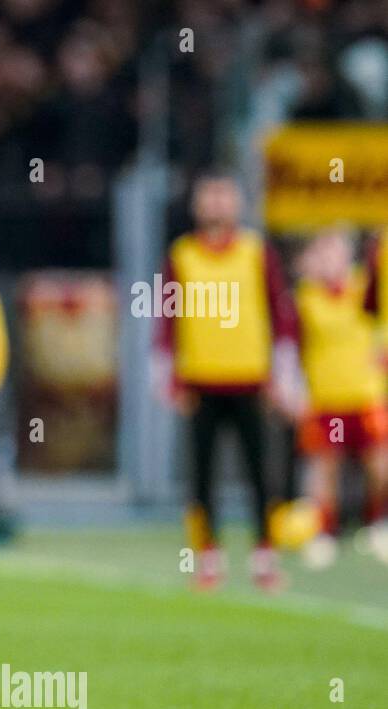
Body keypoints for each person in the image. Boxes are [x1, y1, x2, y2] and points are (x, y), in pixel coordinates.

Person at [153, 172, 299, 591]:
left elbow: (281, 315)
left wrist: (283, 375)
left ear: (237, 203)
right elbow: (167, 318)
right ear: (197, 205)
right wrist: (167, 376)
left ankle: (265, 558)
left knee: (261, 475)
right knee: (201, 477)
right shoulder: (181, 255)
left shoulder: (256, 252)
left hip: (251, 380)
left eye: (224, 196)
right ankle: (207, 559)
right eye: (209, 197)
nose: (217, 205)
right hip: (200, 381)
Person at [292, 229, 388, 567]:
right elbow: (295, 347)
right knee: (326, 468)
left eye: (334, 251)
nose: (329, 260)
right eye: (323, 252)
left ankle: (377, 523)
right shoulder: (306, 298)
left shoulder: (367, 287)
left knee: (379, 465)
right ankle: (325, 533)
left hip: (365, 396)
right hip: (327, 400)